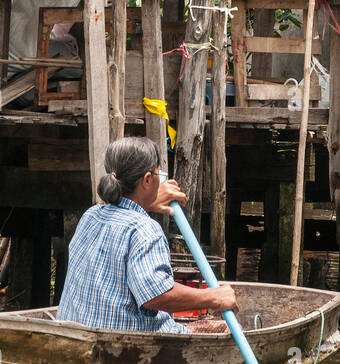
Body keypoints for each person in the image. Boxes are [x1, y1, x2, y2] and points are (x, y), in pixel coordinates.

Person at [57, 135, 238, 334]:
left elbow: (123, 215)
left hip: (75, 334)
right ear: (147, 179)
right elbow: (156, 295)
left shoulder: (91, 215)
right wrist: (214, 297)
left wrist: (146, 202)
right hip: (123, 343)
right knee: (224, 327)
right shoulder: (145, 229)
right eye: (159, 175)